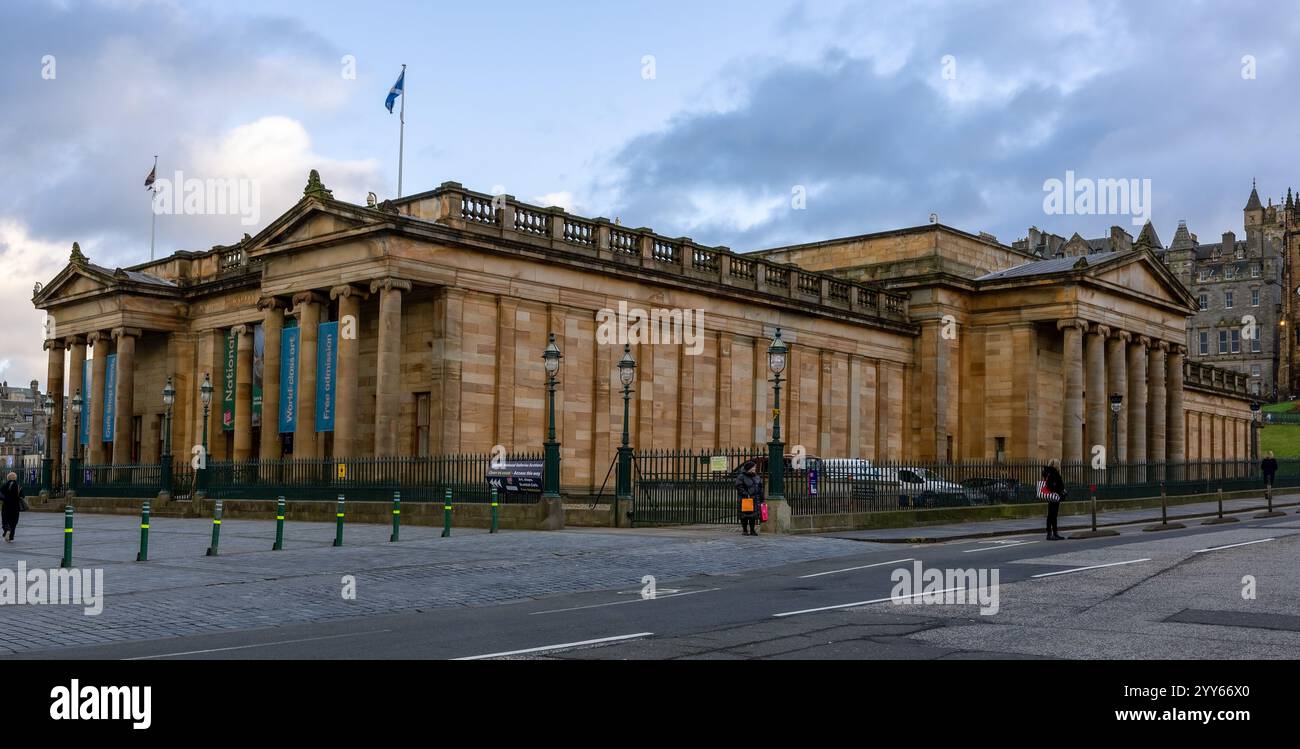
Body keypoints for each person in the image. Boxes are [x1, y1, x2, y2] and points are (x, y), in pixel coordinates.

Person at [734, 460, 764, 536]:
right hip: (745, 498)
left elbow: (760, 487)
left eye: (754, 467)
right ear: (749, 468)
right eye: (753, 467)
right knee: (744, 515)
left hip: (755, 498)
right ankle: (744, 530)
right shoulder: (741, 476)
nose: (754, 468)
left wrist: (761, 497)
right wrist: (745, 494)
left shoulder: (756, 476)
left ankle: (752, 530)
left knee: (753, 516)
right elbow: (739, 486)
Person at [1040, 458, 1067, 541]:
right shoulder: (1053, 473)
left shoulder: (1048, 472)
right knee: (1052, 516)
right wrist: (1060, 491)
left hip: (1052, 496)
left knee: (1051, 516)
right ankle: (1051, 534)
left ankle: (1053, 533)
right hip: (1054, 496)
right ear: (1056, 465)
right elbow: (1052, 485)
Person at [0, 471, 24, 542]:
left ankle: (7, 529)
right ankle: (11, 537)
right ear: (15, 478)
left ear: (8, 478)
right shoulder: (18, 486)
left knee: (5, 519)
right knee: (14, 521)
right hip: (15, 506)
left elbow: (0, 495)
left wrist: (5, 499)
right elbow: (22, 496)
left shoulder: (5, 485)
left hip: (6, 506)